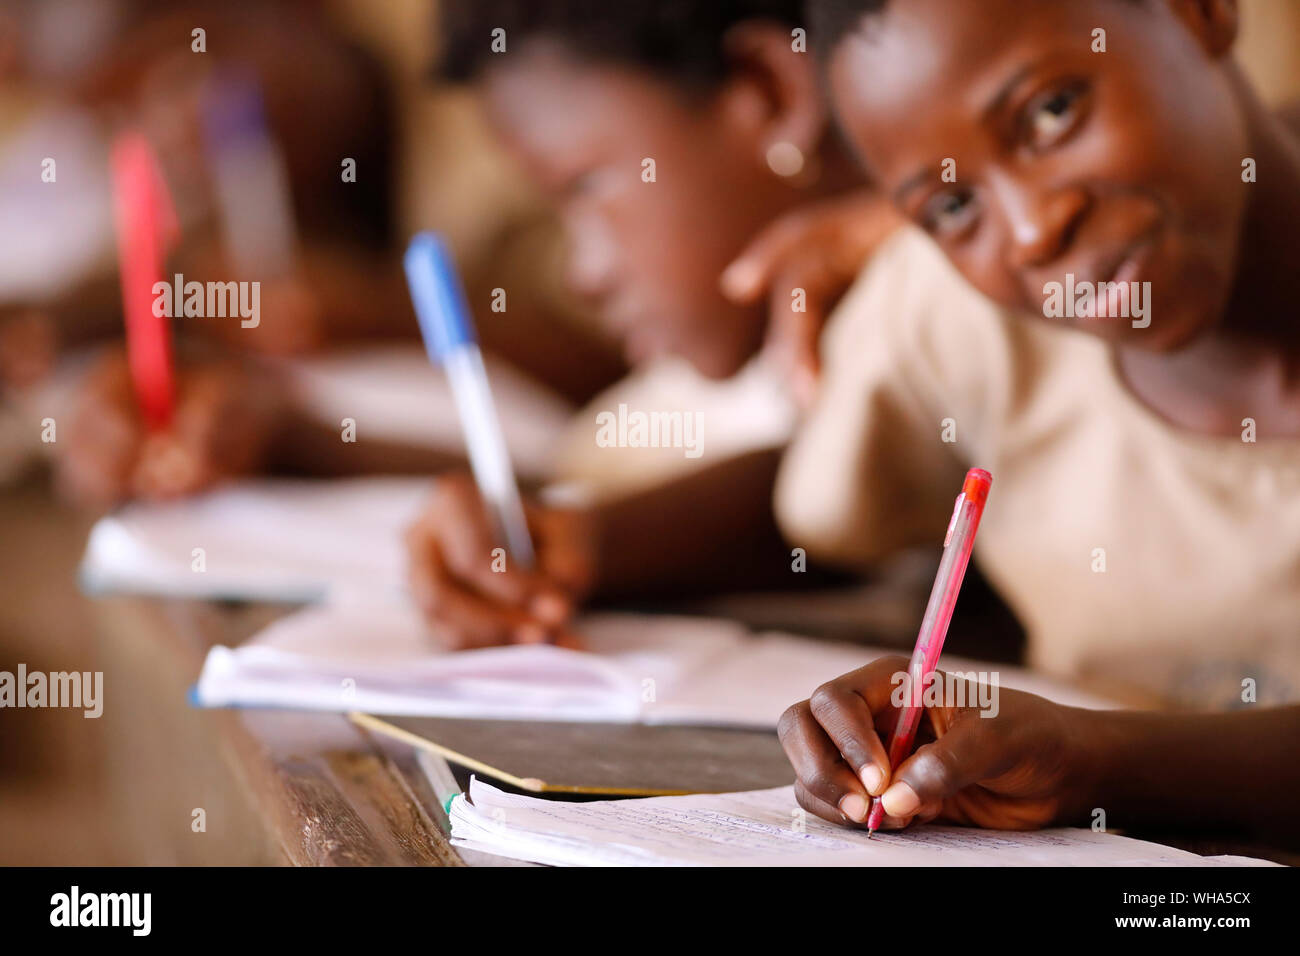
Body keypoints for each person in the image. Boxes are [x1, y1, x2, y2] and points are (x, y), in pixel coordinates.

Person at [406, 0, 899, 648]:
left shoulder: (928, 291)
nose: (582, 275)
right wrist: (569, 536)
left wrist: (594, 539)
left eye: (584, 187)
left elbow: (860, 478)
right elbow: (592, 477)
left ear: (769, 91)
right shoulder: (708, 376)